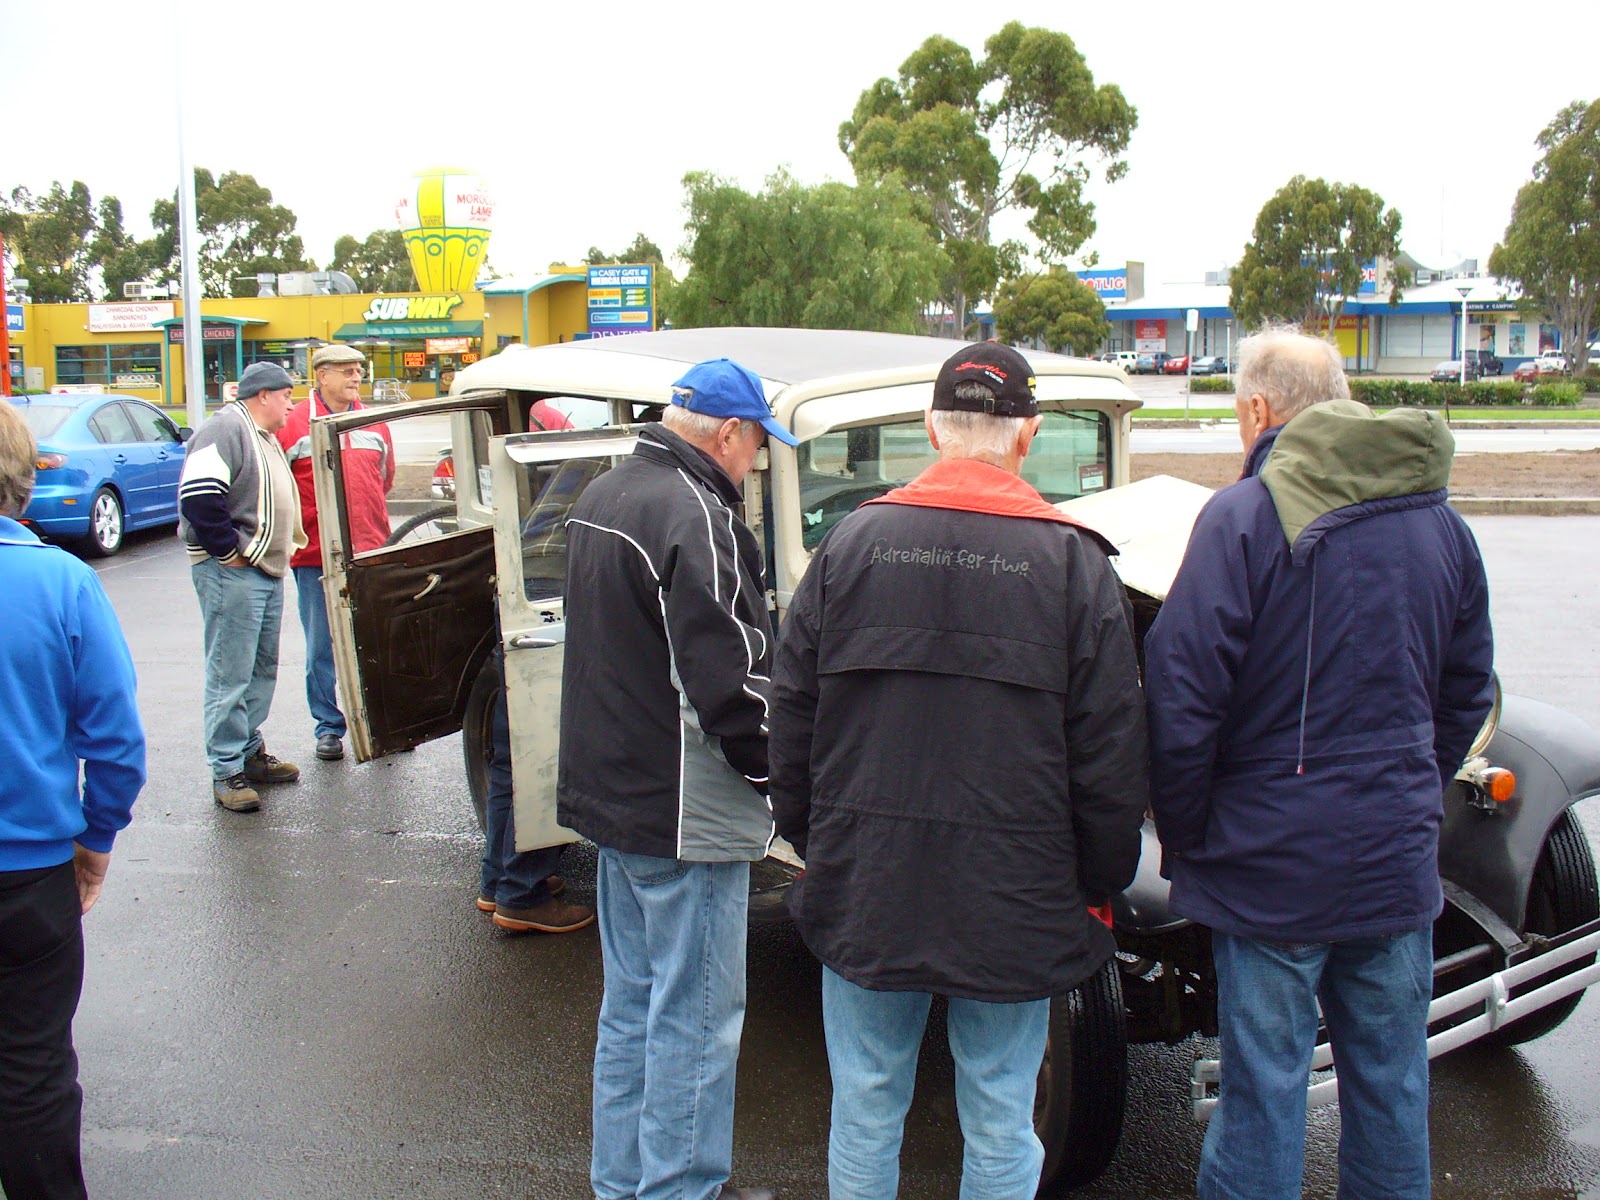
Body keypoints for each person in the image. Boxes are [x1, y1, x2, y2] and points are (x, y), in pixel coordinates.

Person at [768, 342, 1150, 1200]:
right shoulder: (1075, 566)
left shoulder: (850, 546)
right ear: (1029, 436)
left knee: (865, 1109)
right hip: (1019, 893)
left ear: (933, 426)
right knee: (1002, 1116)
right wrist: (1098, 878)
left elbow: (790, 721)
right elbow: (1109, 755)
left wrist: (817, 840)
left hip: (868, 881)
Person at [1143, 327, 1495, 1200]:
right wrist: (1412, 786)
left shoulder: (1243, 518)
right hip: (1394, 865)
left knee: (1264, 1095)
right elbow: (1467, 692)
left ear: (1260, 411)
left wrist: (1188, 838)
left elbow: (1181, 705)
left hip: (1266, 873)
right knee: (1391, 1089)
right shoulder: (1441, 525)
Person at [558, 357, 794, 1200]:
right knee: (695, 1020)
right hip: (684, 813)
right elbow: (734, 688)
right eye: (758, 444)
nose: (757, 462)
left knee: (633, 1006)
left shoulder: (606, 493)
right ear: (727, 433)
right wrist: (788, 791)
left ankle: (621, 1183)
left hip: (615, 800)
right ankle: (682, 1189)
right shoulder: (698, 511)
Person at [0, 398, 146, 1199]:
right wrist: (96, 839)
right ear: (24, 480)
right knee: (32, 1069)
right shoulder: (60, 581)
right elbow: (114, 740)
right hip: (31, 875)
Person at [179, 361, 308, 813]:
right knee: (230, 672)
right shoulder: (224, 430)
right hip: (233, 572)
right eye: (287, 395)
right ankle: (226, 769)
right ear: (264, 395)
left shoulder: (263, 436)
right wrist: (227, 552)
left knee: (259, 669)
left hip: (263, 570)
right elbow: (198, 496)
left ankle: (248, 751)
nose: (291, 404)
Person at [277, 343, 395, 763]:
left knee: (377, 640)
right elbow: (281, 488)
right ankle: (329, 728)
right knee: (321, 649)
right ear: (321, 376)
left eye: (358, 370)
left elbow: (384, 480)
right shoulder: (292, 424)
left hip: (370, 549)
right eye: (346, 371)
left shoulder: (374, 421)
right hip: (316, 557)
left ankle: (385, 723)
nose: (355, 377)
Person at [475, 645, 593, 934]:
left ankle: (498, 877)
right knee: (547, 755)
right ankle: (521, 889)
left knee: (513, 758)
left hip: (515, 614)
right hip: (544, 623)